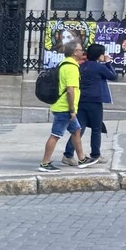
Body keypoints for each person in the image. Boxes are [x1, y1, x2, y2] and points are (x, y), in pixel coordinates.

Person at [38, 41, 94, 171]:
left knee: (76, 131)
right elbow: (70, 90)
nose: (82, 51)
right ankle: (45, 163)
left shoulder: (64, 64)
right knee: (56, 135)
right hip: (65, 108)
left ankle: (81, 159)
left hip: (63, 106)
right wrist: (72, 110)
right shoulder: (71, 68)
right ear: (75, 52)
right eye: (81, 49)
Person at [62, 43, 116, 165]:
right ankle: (95, 154)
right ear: (100, 55)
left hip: (81, 100)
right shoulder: (99, 67)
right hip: (95, 101)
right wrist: (107, 63)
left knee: (79, 129)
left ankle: (68, 154)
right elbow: (113, 76)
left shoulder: (81, 66)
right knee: (96, 128)